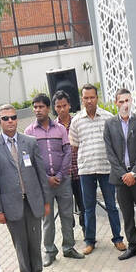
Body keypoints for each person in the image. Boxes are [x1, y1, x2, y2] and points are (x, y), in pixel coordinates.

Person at [0, 105, 51, 272]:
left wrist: (45, 200)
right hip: (11, 205)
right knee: (20, 243)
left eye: (13, 117)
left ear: (17, 120)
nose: (10, 121)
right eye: (5, 118)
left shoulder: (29, 142)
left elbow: (40, 173)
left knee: (35, 239)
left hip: (33, 202)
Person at [68, 83, 124, 254]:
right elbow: (74, 146)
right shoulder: (76, 121)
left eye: (92, 97)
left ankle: (118, 238)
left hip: (106, 169)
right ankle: (90, 241)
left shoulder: (108, 118)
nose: (89, 100)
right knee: (88, 207)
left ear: (97, 98)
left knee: (111, 206)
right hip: (86, 170)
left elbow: (116, 143)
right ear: (82, 99)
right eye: (86, 98)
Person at [24, 93, 77, 265]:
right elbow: (29, 160)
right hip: (43, 184)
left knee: (67, 215)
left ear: (48, 108)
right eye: (35, 107)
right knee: (47, 219)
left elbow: (67, 153)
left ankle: (69, 247)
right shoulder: (29, 132)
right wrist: (46, 178)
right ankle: (49, 251)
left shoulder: (60, 129)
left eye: (41, 106)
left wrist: (61, 175)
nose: (38, 110)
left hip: (63, 181)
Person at [104, 88, 136, 262]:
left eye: (127, 100)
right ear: (116, 103)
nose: (125, 104)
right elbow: (110, 153)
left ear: (131, 101)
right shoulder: (109, 124)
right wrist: (124, 174)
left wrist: (133, 173)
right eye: (121, 101)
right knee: (127, 213)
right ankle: (133, 246)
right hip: (119, 178)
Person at [54, 91, 84, 221]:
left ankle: (87, 233)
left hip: (80, 171)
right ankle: (69, 234)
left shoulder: (78, 122)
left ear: (70, 105)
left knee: (84, 205)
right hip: (63, 175)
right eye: (58, 106)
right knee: (66, 209)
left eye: (64, 105)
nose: (62, 109)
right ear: (54, 108)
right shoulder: (53, 128)